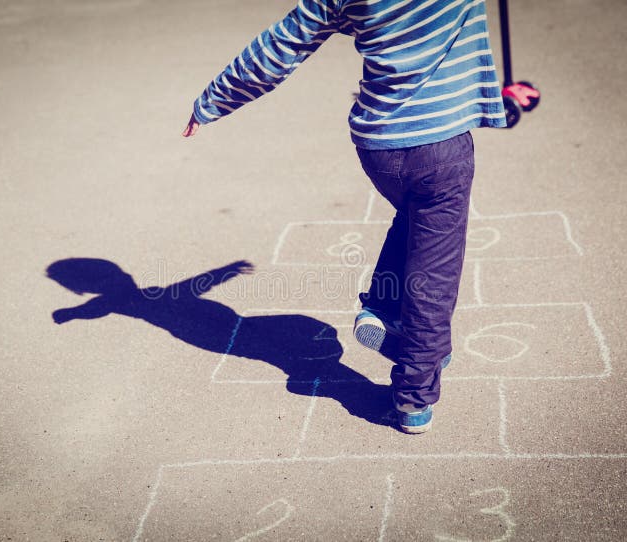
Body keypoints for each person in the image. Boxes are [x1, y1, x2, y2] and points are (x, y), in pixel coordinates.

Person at [182, 0, 506, 433]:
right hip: (441, 146)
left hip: (378, 147)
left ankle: (385, 310)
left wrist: (212, 100)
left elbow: (282, 44)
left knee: (415, 219)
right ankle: (414, 395)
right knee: (435, 275)